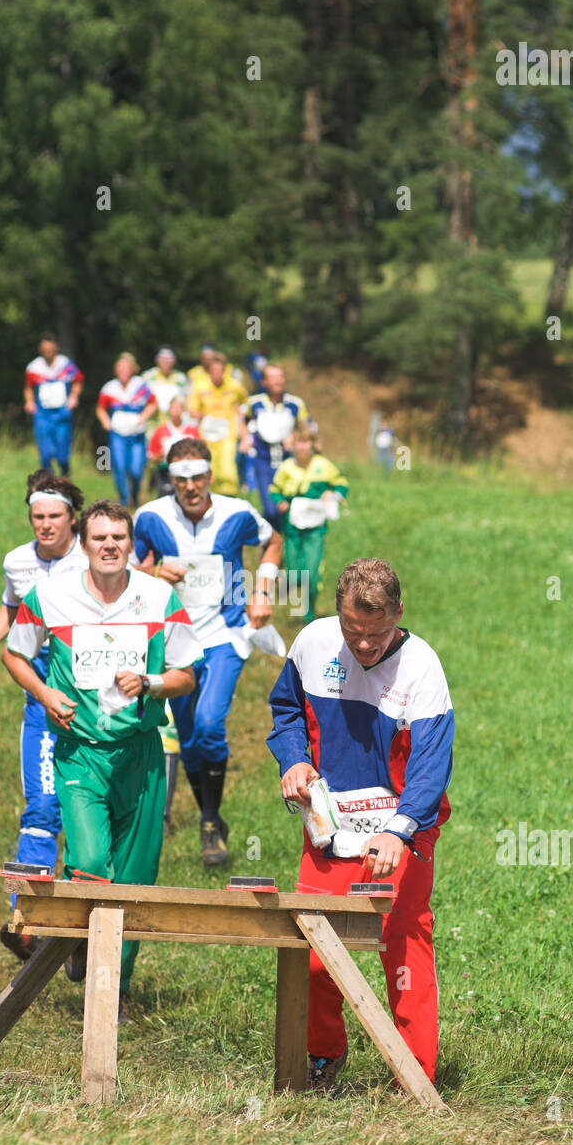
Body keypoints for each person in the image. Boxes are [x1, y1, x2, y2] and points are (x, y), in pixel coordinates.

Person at [2, 500, 202, 1003]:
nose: (109, 545)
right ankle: (81, 944)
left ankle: (115, 991)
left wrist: (152, 682)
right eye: (99, 538)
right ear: (84, 544)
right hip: (79, 752)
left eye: (119, 537)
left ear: (131, 544)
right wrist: (45, 695)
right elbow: (14, 652)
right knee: (90, 860)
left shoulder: (160, 598)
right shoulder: (50, 596)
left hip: (141, 754)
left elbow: (187, 675)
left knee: (135, 881)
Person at [266, 558, 453, 1090]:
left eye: (376, 633)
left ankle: (413, 1075)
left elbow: (431, 763)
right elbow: (286, 712)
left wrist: (400, 829)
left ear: (399, 612)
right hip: (331, 826)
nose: (364, 645)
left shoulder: (422, 666)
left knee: (402, 939)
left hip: (404, 830)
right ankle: (324, 1057)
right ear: (337, 615)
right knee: (314, 945)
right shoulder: (312, 642)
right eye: (353, 632)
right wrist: (293, 759)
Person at [134, 438, 283, 866]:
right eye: (181, 479)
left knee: (209, 722)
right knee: (188, 738)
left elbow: (273, 541)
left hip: (226, 634)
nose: (190, 486)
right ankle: (211, 820)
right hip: (174, 640)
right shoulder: (149, 517)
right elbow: (126, 568)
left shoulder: (236, 512)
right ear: (171, 480)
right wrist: (153, 571)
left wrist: (261, 590)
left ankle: (208, 822)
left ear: (210, 476)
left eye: (197, 477)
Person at [0, 471, 87, 957]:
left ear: (72, 518)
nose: (45, 525)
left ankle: (81, 917)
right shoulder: (17, 561)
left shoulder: (94, 558)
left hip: (89, 702)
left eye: (54, 516)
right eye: (37, 516)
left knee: (82, 810)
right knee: (42, 807)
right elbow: (10, 605)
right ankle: (27, 921)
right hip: (40, 698)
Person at [269, 422, 348, 621]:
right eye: (299, 443)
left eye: (306, 443)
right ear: (293, 445)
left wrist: (335, 494)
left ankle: (309, 613)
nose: (303, 447)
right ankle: (286, 586)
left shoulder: (324, 465)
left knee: (311, 576)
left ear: (313, 444)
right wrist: (280, 503)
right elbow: (274, 490)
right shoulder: (286, 468)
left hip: (316, 529)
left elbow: (341, 484)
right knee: (296, 573)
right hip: (293, 528)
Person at [243, 363, 310, 523]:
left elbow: (307, 427)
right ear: (264, 381)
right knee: (271, 509)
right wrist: (246, 438)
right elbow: (241, 421)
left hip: (289, 462)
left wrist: (294, 437)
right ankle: (271, 543)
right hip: (264, 461)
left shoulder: (295, 404)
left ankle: (286, 544)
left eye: (280, 377)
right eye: (272, 377)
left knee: (290, 508)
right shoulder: (254, 403)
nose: (277, 381)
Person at [96, 353, 157, 507]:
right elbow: (101, 408)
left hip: (136, 434)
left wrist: (143, 417)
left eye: (126, 368)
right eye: (120, 368)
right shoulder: (109, 388)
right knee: (120, 467)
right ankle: (124, 500)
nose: (123, 372)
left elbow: (152, 404)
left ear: (132, 369)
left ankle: (135, 494)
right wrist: (105, 421)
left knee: (137, 469)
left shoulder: (140, 385)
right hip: (117, 434)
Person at [187, 352, 249, 497]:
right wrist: (202, 415)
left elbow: (245, 404)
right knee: (210, 467)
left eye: (220, 371)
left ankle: (229, 498)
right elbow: (192, 410)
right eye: (214, 371)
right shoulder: (200, 386)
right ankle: (210, 497)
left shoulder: (234, 386)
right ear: (209, 371)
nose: (217, 374)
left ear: (225, 370)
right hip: (207, 434)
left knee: (228, 469)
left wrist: (241, 417)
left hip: (228, 434)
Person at [24, 332, 83, 476]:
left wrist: (74, 396)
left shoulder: (66, 364)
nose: (48, 353)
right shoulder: (33, 367)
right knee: (46, 454)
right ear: (40, 349)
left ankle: (65, 474)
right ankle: (49, 483)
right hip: (42, 414)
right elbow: (28, 388)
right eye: (45, 350)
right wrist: (29, 402)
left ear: (56, 348)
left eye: (50, 350)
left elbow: (78, 381)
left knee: (62, 455)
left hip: (62, 412)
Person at [147, 394, 201, 497]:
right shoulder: (160, 431)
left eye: (179, 408)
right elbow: (152, 457)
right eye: (173, 408)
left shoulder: (192, 431)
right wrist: (160, 455)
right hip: (165, 472)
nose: (176, 411)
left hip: (188, 472)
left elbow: (201, 454)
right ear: (169, 410)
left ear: (183, 410)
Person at [143, 347, 190, 419]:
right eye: (162, 359)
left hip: (174, 420)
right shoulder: (147, 377)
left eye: (169, 359)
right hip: (153, 420)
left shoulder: (181, 378)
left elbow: (186, 401)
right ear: (157, 360)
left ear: (174, 361)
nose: (165, 362)